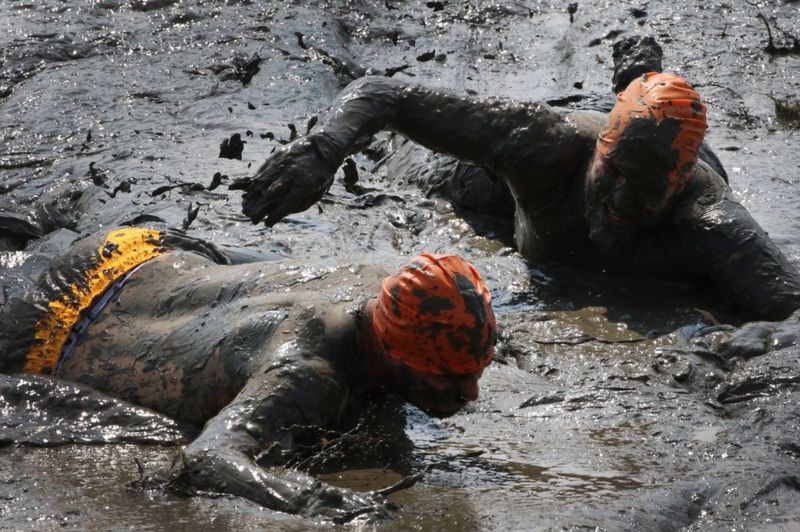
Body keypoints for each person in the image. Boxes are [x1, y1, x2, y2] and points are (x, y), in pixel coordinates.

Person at [232, 50, 800, 322]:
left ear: (677, 187)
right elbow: (383, 94)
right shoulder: (547, 144)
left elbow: (789, 313)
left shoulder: (712, 223)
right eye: (616, 175)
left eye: (648, 190)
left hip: (649, 174)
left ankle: (640, 72)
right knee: (407, 168)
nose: (623, 201)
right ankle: (634, 74)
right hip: (510, 188)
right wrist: (320, 151)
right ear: (600, 150)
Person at [0, 226, 496, 522]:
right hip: (55, 326)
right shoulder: (308, 371)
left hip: (148, 247)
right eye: (448, 379)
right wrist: (310, 500)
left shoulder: (378, 284)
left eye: (474, 373)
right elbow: (209, 457)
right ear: (392, 353)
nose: (470, 395)